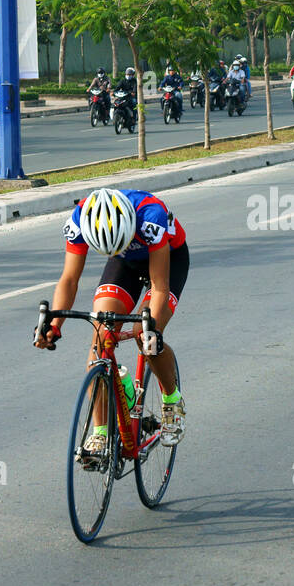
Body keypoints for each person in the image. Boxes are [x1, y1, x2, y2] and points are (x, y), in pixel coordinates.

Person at [36, 187, 189, 458]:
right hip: (123, 263)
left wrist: (150, 328)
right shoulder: (81, 218)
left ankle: (172, 401)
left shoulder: (151, 216)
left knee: (146, 336)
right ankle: (101, 432)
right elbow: (69, 280)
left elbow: (160, 286)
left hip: (167, 260)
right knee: (100, 337)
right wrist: (55, 325)